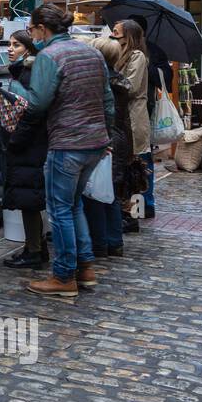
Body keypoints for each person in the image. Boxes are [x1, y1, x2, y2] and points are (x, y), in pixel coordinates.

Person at [7, 3, 114, 299]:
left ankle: (64, 275)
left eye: (31, 30)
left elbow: (37, 102)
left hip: (67, 142)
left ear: (43, 28)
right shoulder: (92, 52)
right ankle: (85, 268)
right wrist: (108, 137)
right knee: (74, 204)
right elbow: (107, 99)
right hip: (94, 141)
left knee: (60, 210)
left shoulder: (49, 56)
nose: (31, 35)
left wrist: (13, 89)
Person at [0, 30, 49, 269]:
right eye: (9, 44)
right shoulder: (23, 71)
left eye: (16, 45)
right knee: (29, 195)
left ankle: (34, 251)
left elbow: (31, 112)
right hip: (28, 142)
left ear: (27, 49)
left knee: (29, 197)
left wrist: (15, 139)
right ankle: (34, 246)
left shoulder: (28, 74)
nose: (10, 49)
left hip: (28, 144)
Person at [83, 37, 136, 259]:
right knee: (110, 191)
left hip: (105, 139)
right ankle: (114, 241)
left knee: (95, 192)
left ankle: (100, 242)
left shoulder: (102, 84)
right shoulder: (121, 82)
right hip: (119, 138)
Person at [104, 20, 150, 233]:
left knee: (134, 167)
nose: (112, 35)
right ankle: (125, 213)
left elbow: (129, 87)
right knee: (122, 166)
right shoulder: (119, 55)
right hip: (120, 117)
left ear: (128, 36)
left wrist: (109, 79)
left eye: (116, 32)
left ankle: (134, 216)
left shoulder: (137, 56)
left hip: (132, 116)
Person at [132, 15, 168, 219]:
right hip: (126, 113)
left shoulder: (154, 51)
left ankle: (145, 204)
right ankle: (132, 206)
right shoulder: (120, 50)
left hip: (145, 109)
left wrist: (146, 66)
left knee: (143, 157)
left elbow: (165, 78)